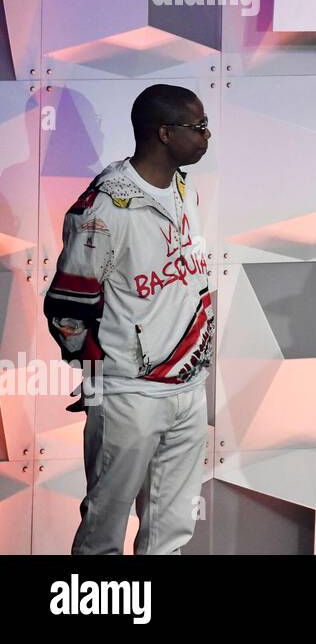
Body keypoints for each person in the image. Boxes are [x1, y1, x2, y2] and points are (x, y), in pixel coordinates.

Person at [43, 84, 215, 554]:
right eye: (198, 127)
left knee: (171, 529)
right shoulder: (105, 208)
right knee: (104, 528)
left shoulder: (183, 187)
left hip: (188, 386)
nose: (206, 135)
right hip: (129, 393)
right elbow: (67, 306)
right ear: (164, 132)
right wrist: (99, 374)